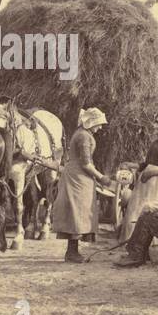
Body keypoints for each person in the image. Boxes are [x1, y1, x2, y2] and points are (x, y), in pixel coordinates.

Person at [50, 107, 116, 264]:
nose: (100, 127)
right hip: (78, 177)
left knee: (78, 212)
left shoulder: (82, 133)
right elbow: (86, 164)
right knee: (77, 212)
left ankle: (72, 251)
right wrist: (102, 178)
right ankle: (71, 253)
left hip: (79, 176)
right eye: (99, 124)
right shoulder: (83, 137)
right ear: (91, 122)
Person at [119, 112, 158, 241]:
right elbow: (146, 164)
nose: (157, 132)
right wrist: (132, 165)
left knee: (150, 211)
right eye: (157, 129)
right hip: (144, 183)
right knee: (135, 209)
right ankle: (130, 239)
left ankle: (146, 242)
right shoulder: (155, 144)